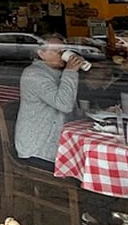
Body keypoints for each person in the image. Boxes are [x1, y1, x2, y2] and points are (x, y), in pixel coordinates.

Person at [14, 37, 85, 168]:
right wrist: (70, 71)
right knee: (84, 167)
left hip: (59, 144)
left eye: (63, 50)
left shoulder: (57, 72)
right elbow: (64, 105)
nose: (62, 55)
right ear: (41, 54)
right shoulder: (34, 74)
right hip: (38, 149)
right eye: (57, 51)